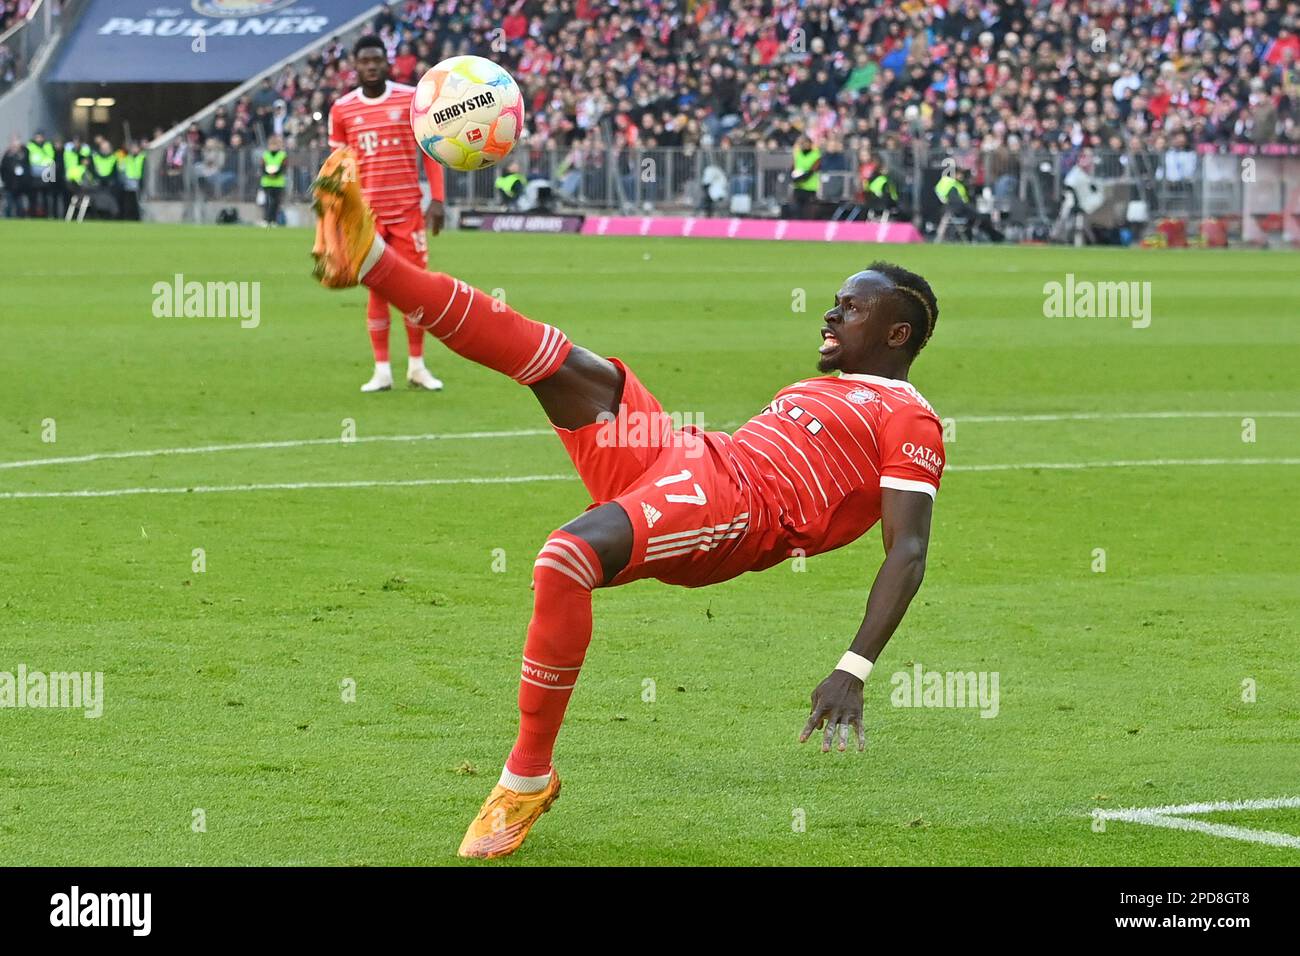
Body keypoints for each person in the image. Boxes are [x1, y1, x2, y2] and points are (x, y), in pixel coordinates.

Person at [310, 147, 946, 860]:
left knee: (564, 558)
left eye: (852, 307)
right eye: (837, 299)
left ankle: (525, 780)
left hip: (738, 508)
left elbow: (909, 550)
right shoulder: (820, 386)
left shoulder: (910, 417)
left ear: (897, 335)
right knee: (558, 363)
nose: (832, 312)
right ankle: (373, 263)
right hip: (693, 455)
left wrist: (853, 669)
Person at [327, 33, 446, 393]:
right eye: (364, 61)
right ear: (355, 65)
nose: (371, 66)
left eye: (377, 59)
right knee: (377, 290)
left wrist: (437, 198)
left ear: (386, 62)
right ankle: (382, 370)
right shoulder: (343, 109)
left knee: (416, 289)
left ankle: (417, 366)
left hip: (408, 212)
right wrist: (336, 212)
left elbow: (430, 150)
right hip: (367, 216)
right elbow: (339, 166)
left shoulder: (411, 99)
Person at [935, 165, 1003, 242]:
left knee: (979, 219)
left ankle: (995, 236)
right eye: (959, 173)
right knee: (982, 217)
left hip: (950, 209)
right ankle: (995, 236)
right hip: (958, 210)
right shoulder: (953, 185)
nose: (962, 176)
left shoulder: (946, 183)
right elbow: (957, 201)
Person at [790, 135, 821, 217]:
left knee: (808, 212)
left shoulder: (816, 155)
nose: (804, 145)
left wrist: (800, 178)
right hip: (798, 187)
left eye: (806, 143)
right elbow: (793, 168)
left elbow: (813, 170)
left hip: (810, 188)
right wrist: (793, 178)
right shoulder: (798, 154)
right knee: (796, 212)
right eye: (802, 143)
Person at [260, 135, 287, 227]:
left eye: (275, 145)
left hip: (278, 182)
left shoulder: (282, 155)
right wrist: (268, 174)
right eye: (272, 145)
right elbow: (262, 167)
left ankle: (273, 220)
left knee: (276, 202)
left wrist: (275, 174)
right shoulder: (265, 155)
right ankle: (266, 219)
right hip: (267, 182)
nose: (273, 147)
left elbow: (283, 167)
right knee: (267, 201)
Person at [121, 141, 145, 221]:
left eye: (135, 148)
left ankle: (138, 218)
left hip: (138, 183)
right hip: (128, 184)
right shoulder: (127, 158)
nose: (134, 150)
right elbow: (122, 170)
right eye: (132, 148)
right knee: (128, 203)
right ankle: (127, 217)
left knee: (138, 203)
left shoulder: (142, 157)